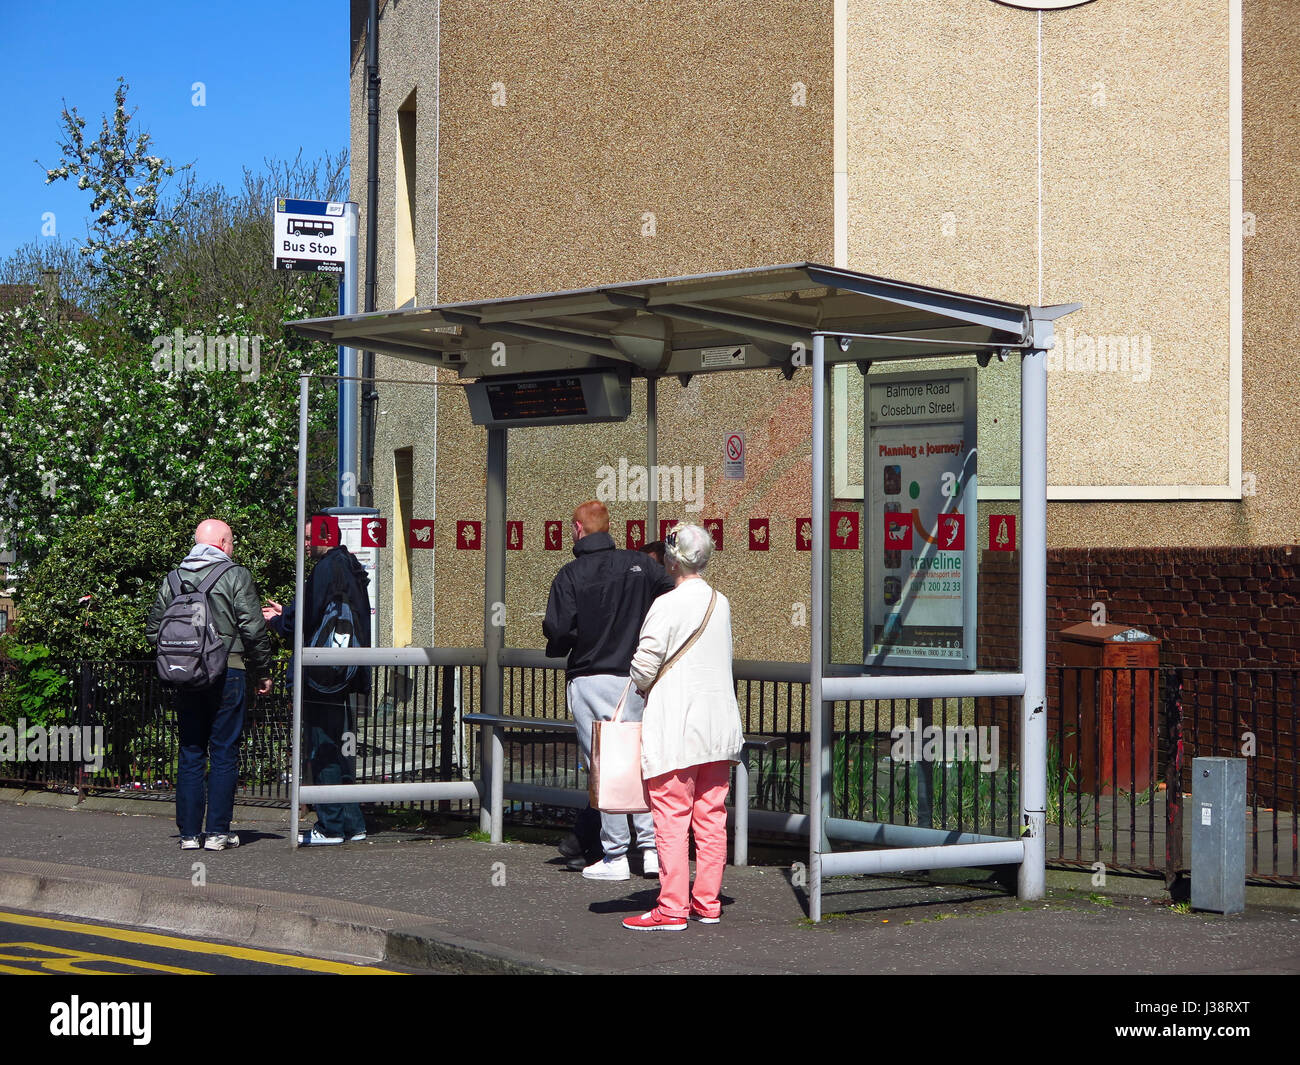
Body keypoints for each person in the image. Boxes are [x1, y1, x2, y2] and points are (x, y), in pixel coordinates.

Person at [544, 501, 674, 880]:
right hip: (636, 678)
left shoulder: (569, 575)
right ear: (609, 528)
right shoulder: (642, 566)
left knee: (606, 768)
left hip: (589, 678)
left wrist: (566, 644)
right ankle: (652, 850)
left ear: (578, 529)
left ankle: (615, 854)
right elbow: (672, 597)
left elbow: (559, 630)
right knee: (641, 762)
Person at [623, 523, 743, 931]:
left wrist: (642, 685)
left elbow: (643, 666)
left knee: (672, 817)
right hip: (719, 727)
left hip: (677, 724)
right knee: (711, 816)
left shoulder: (667, 604)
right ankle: (707, 902)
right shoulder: (721, 602)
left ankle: (672, 907)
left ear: (672, 559)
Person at [146, 519, 274, 851]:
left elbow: (153, 631)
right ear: (220, 542)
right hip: (227, 672)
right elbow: (253, 628)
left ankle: (189, 835)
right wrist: (262, 671)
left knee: (190, 752)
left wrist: (181, 658)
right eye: (230, 541)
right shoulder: (235, 575)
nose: (233, 548)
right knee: (223, 753)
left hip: (186, 678)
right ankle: (217, 832)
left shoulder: (173, 579)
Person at [263, 524, 371, 845]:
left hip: (323, 676)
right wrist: (291, 612)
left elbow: (303, 621)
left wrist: (277, 621)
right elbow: (321, 613)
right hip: (346, 672)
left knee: (322, 748)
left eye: (310, 537)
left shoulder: (325, 568)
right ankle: (353, 823)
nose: (306, 543)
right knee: (340, 750)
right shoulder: (350, 566)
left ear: (326, 538)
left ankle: (330, 827)